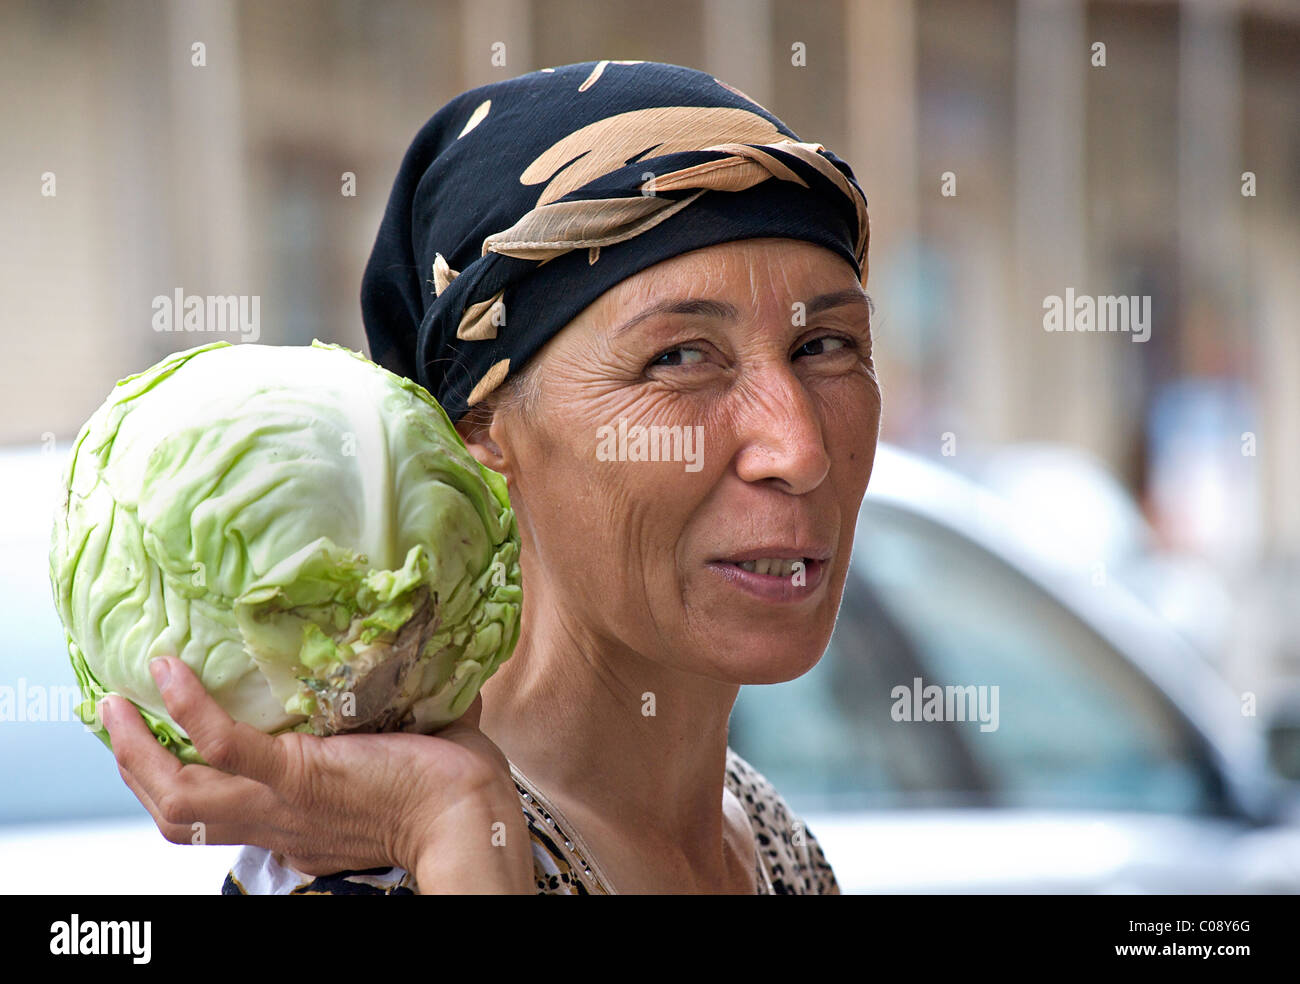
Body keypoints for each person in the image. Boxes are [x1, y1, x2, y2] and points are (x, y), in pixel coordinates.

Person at [100, 59, 878, 894]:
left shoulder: (763, 837)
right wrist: (455, 832)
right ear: (479, 430)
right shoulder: (384, 871)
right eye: (680, 357)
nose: (798, 449)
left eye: (825, 345)